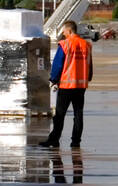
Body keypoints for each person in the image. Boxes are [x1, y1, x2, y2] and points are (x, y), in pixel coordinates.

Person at [39, 20, 93, 148]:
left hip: (66, 85)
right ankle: (75, 142)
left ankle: (54, 139)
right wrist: (88, 77)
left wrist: (53, 79)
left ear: (69, 30)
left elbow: (58, 64)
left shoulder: (65, 44)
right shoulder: (86, 45)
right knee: (78, 114)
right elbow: (90, 65)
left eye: (64, 31)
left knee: (60, 115)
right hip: (81, 85)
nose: (63, 33)